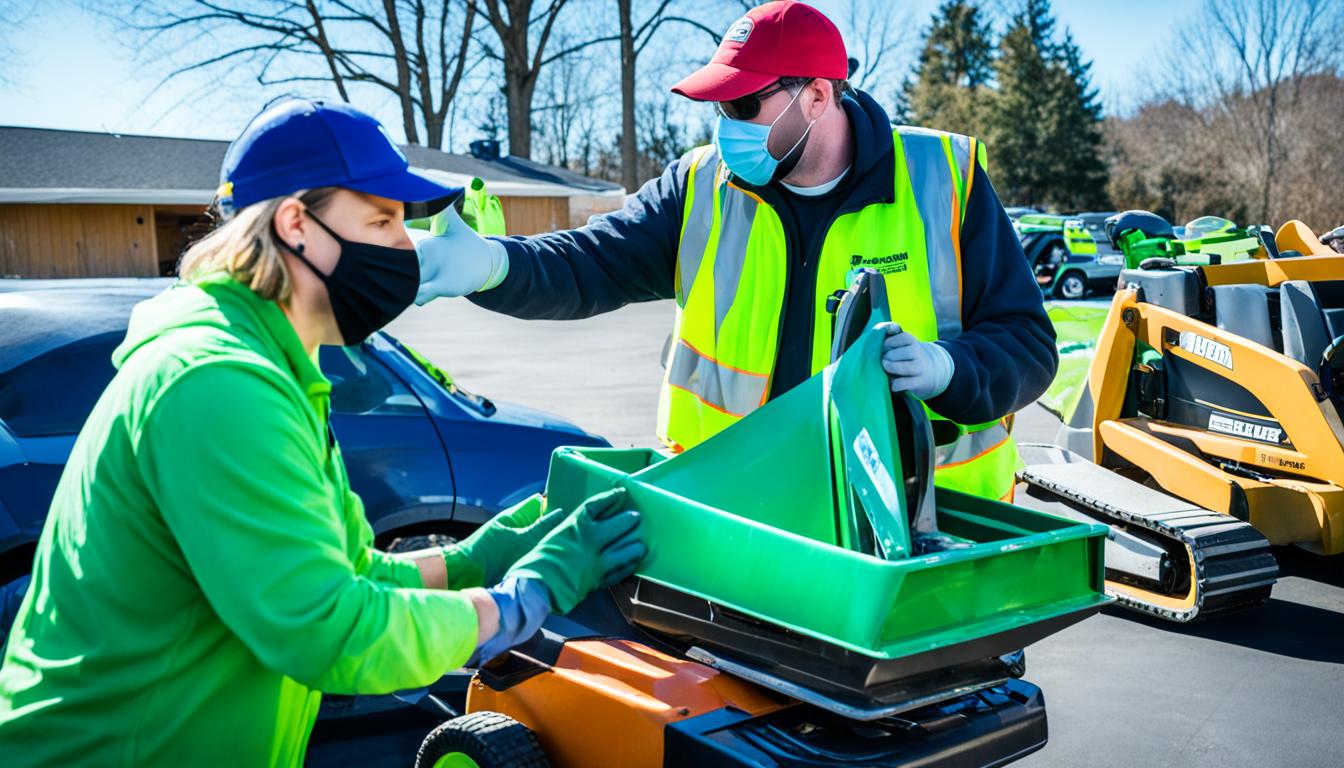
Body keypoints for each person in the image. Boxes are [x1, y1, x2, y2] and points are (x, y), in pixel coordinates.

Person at [0, 99, 645, 766]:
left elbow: (349, 575)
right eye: (382, 220)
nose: (406, 247)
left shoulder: (275, 365)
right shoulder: (216, 383)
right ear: (296, 225)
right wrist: (522, 599)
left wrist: (475, 558)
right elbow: (330, 631)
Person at [414, 0, 1057, 502]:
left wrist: (950, 371)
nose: (726, 126)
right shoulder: (699, 186)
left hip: (915, 536)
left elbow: (1027, 344)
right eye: (719, 106)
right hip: (738, 520)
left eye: (744, 104)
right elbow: (589, 262)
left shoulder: (945, 178)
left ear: (817, 94)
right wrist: (494, 266)